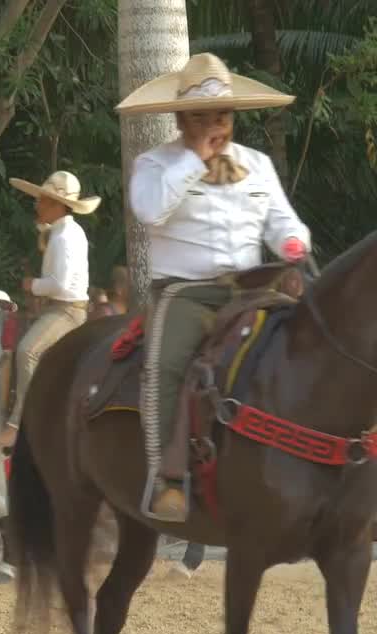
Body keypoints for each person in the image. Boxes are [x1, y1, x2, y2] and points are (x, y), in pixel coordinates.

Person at [118, 53, 310, 521]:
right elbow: (149, 213)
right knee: (167, 367)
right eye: (201, 116)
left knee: (310, 347)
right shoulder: (154, 164)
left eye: (221, 115)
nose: (214, 124)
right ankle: (167, 480)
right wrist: (195, 160)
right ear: (182, 119)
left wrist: (291, 243)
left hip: (254, 288)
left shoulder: (258, 164)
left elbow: (284, 221)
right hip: (186, 292)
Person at [0, 170, 99, 448]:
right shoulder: (64, 232)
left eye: (42, 200)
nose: (37, 205)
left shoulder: (64, 237)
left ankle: (19, 424)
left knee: (28, 350)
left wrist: (32, 285)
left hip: (66, 311)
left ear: (55, 204)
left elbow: (61, 285)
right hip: (59, 308)